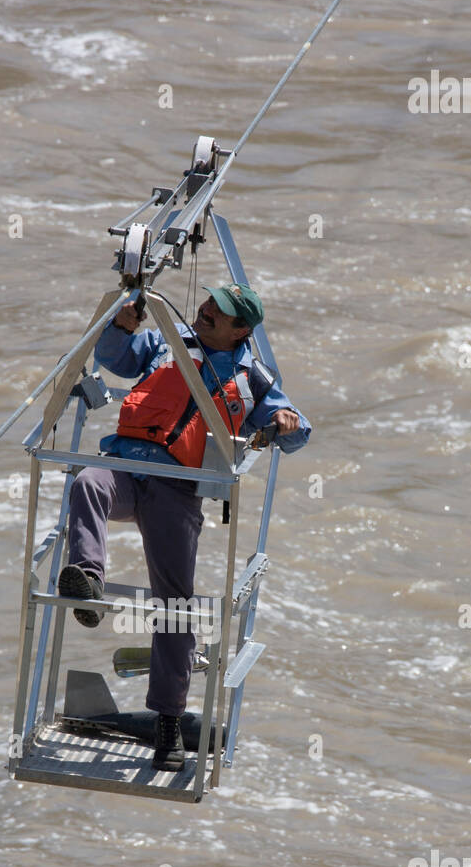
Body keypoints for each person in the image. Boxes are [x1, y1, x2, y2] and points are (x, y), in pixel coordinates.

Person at [58, 282, 311, 770]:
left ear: (242, 329)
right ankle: (86, 579)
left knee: (175, 605)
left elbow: (297, 426)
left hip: (178, 490)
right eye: (209, 302)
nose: (207, 309)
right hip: (128, 469)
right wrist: (124, 323)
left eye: (221, 311)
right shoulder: (166, 343)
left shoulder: (250, 376)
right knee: (88, 481)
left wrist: (285, 419)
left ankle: (168, 723)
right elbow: (115, 356)